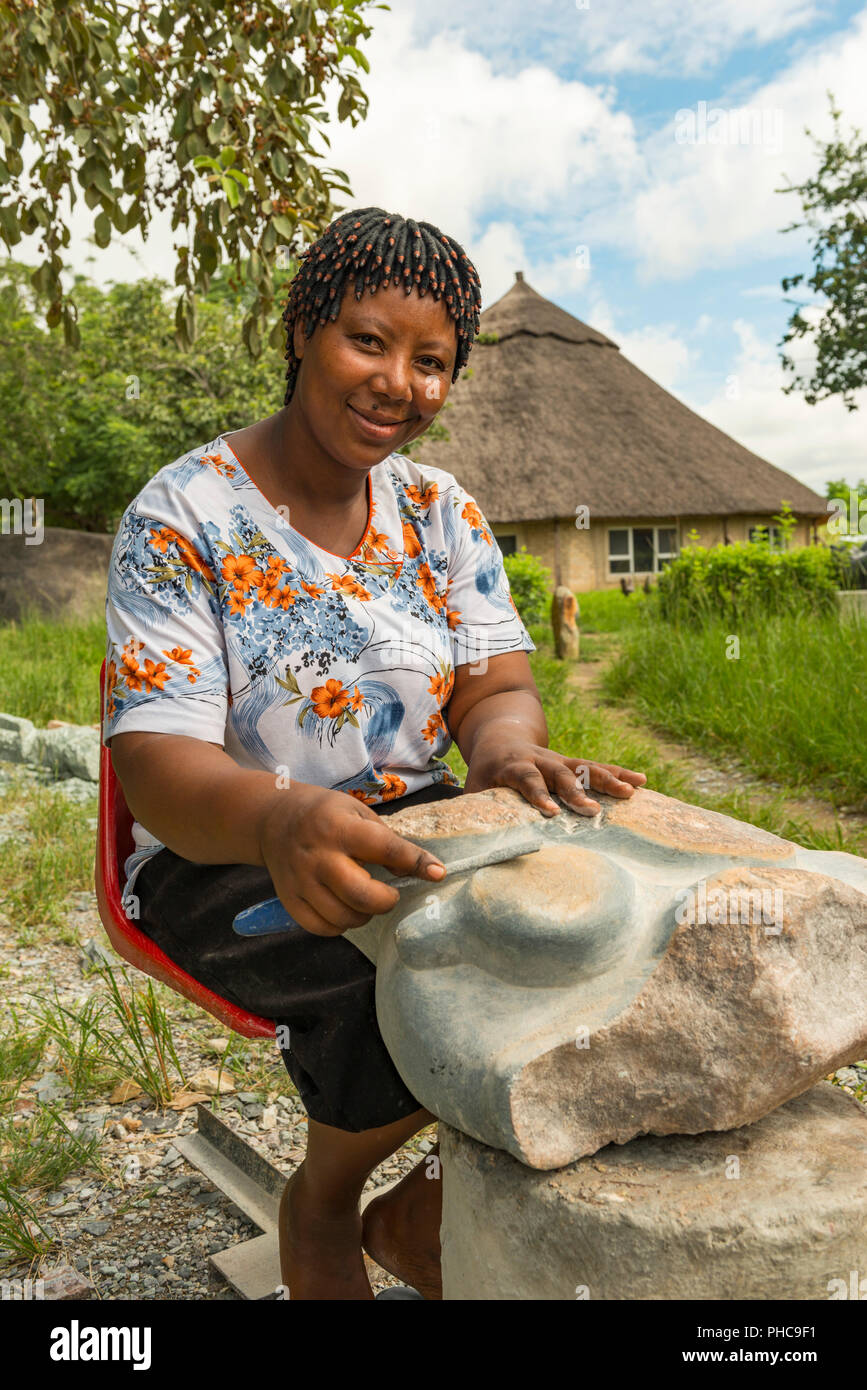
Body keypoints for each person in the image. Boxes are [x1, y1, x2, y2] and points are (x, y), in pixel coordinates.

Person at [102, 207, 646, 1300]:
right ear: (303, 329)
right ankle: (329, 1202)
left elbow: (496, 687)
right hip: (225, 852)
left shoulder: (440, 512)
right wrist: (274, 817)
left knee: (606, 925)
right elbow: (157, 762)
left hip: (420, 817)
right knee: (413, 979)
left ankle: (426, 1209)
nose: (398, 381)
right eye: (368, 340)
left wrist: (504, 756)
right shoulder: (182, 516)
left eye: (432, 360)